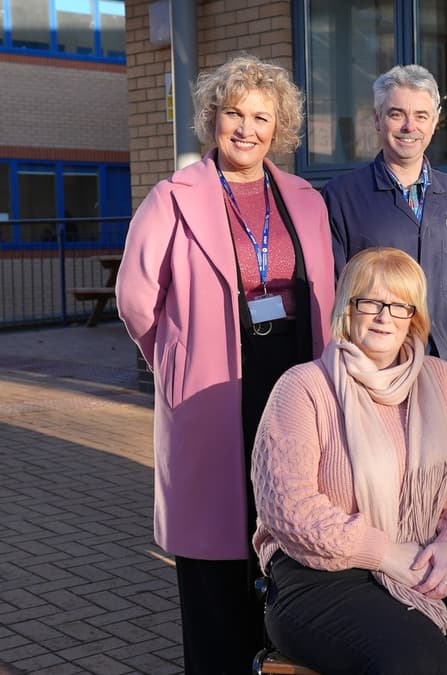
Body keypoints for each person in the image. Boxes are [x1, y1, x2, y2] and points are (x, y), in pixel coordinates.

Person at [114, 55, 335, 673]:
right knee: (215, 543)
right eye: (234, 113)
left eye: (261, 117)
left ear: (279, 127)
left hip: (291, 372)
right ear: (214, 118)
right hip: (211, 385)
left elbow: (325, 287)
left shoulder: (303, 198)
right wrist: (175, 355)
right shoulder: (172, 197)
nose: (246, 128)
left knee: (287, 524)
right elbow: (135, 298)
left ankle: (275, 656)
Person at [252, 247, 447, 674]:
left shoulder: (444, 381)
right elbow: (288, 507)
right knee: (420, 665)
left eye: (398, 305)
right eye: (369, 302)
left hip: (431, 556)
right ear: (347, 308)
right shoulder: (303, 388)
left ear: (415, 316)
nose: (383, 316)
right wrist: (383, 552)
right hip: (322, 570)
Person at [324, 64, 447, 391]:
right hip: (371, 378)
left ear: (434, 123)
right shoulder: (342, 197)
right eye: (396, 114)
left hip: (446, 378)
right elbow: (332, 297)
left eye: (420, 115)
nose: (409, 126)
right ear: (377, 119)